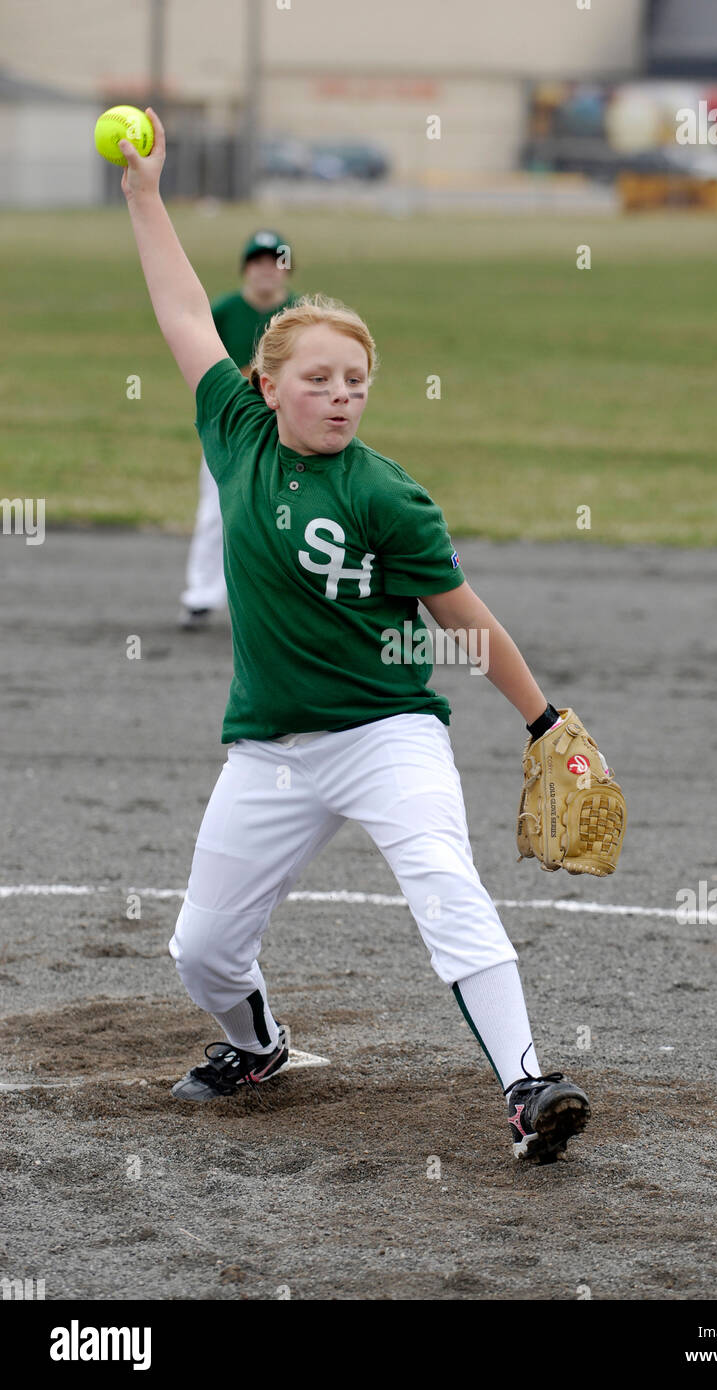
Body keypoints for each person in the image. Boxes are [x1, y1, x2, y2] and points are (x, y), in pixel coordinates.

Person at [119, 109, 590, 1164]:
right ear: (268, 383)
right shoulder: (232, 431)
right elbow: (184, 309)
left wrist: (541, 716)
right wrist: (146, 195)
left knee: (442, 878)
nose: (342, 395)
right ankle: (256, 1047)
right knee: (203, 949)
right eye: (321, 379)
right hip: (272, 749)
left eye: (357, 382)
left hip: (387, 730)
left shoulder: (388, 496)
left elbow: (463, 619)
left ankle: (528, 1086)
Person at [178, 228, 300, 630]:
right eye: (258, 263)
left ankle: (286, 602)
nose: (267, 271)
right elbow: (203, 366)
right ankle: (201, 596)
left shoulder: (302, 314)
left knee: (287, 515)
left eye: (276, 262)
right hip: (229, 430)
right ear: (246, 269)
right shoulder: (225, 310)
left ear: (287, 270)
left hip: (289, 432)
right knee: (215, 512)